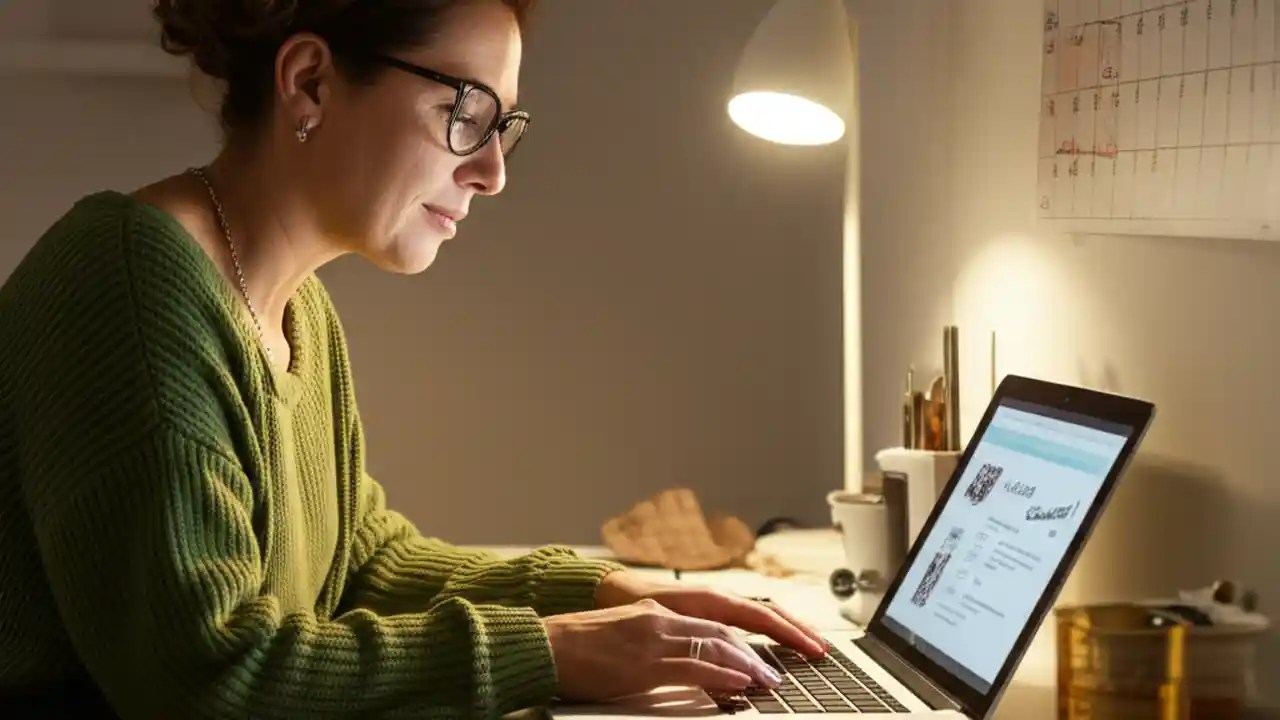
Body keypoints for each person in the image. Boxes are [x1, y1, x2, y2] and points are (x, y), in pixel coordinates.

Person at [0, 1, 828, 717]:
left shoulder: (294, 304)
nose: (492, 170)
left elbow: (362, 564)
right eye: (466, 111)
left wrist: (612, 594)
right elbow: (209, 679)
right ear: (311, 81)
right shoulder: (132, 283)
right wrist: (552, 648)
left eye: (503, 125)